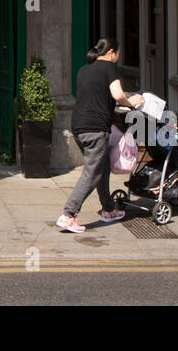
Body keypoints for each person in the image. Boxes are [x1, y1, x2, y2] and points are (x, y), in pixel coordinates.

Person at [56, 37, 144, 233]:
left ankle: (108, 208)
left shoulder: (84, 70)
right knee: (92, 173)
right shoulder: (109, 68)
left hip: (79, 126)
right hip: (96, 129)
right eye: (118, 53)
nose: (118, 57)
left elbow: (96, 97)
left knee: (101, 167)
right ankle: (68, 215)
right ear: (111, 52)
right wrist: (133, 101)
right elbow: (117, 94)